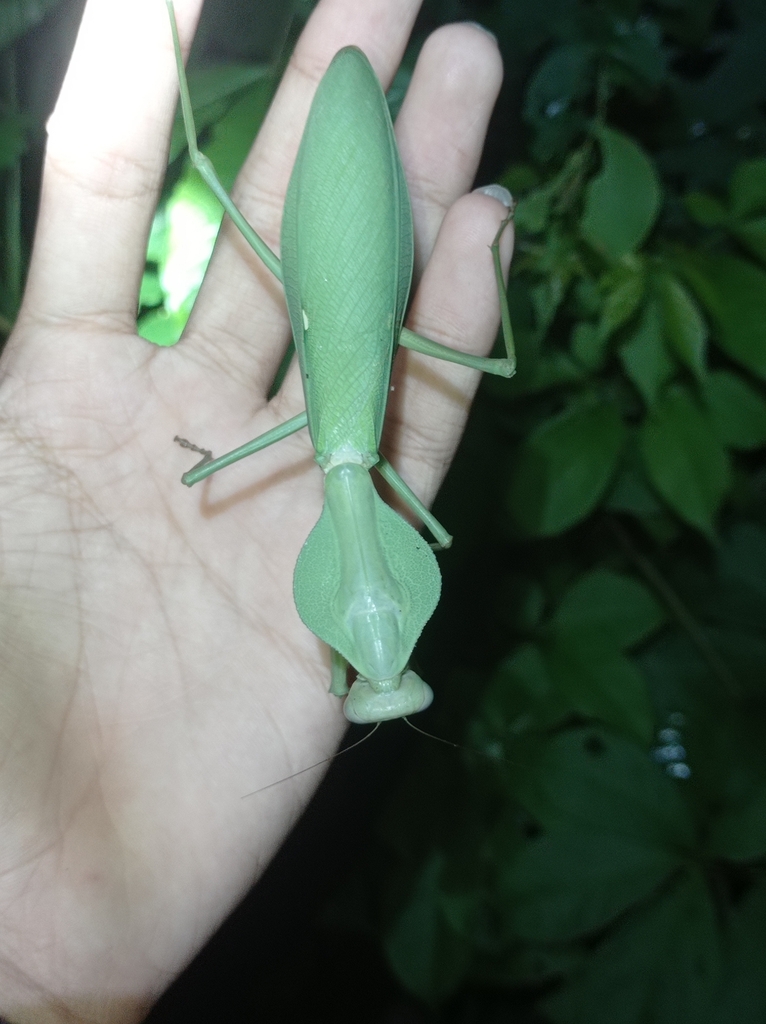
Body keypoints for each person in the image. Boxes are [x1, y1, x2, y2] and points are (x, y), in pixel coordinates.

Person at [0, 0, 512, 1019]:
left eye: (354, 670)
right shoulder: (400, 521)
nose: (371, 653)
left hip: (331, 302)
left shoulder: (402, 525)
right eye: (381, 665)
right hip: (349, 290)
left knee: (209, 161)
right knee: (468, 342)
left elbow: (483, 375)